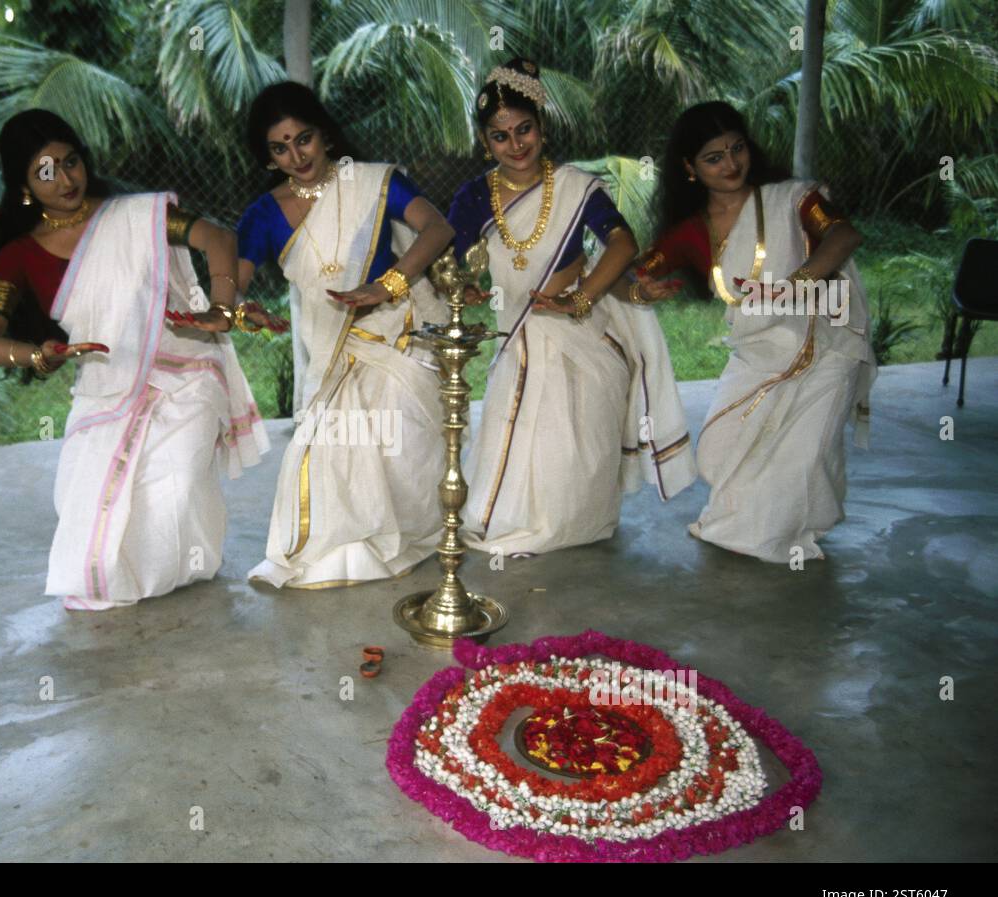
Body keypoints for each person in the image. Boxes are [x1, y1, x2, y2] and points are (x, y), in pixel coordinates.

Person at [0, 109, 278, 609]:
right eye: (46, 171)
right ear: (24, 186)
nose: (66, 179)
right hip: (106, 387)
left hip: (187, 370)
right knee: (82, 506)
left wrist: (223, 307)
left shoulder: (135, 218)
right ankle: (137, 574)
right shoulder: (21, 254)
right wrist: (35, 355)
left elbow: (216, 237)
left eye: (71, 162)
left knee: (174, 482)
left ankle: (182, 565)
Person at [446, 58, 694, 556]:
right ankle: (522, 521)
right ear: (484, 141)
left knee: (572, 447)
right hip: (516, 335)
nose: (516, 146)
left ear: (542, 126)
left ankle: (575, 522)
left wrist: (579, 299)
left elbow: (622, 244)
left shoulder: (576, 186)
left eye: (524, 130)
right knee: (511, 443)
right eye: (500, 136)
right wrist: (463, 287)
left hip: (580, 334)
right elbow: (450, 263)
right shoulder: (474, 196)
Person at [624, 101, 876, 563]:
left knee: (801, 453)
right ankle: (760, 521)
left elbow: (844, 237)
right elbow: (637, 277)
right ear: (690, 168)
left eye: (736, 148)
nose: (732, 164)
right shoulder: (690, 232)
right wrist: (643, 292)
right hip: (757, 350)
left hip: (827, 342)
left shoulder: (793, 199)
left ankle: (781, 530)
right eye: (714, 158)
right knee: (717, 455)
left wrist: (793, 286)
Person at [237, 82, 455, 589]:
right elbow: (239, 284)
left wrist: (387, 285)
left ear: (327, 135)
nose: (296, 155)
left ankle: (405, 534)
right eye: (280, 147)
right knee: (332, 442)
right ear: (268, 157)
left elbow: (438, 229)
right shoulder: (263, 215)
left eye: (304, 138)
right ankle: (348, 547)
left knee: (392, 431)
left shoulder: (375, 183)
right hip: (331, 350)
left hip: (393, 333)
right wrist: (246, 311)